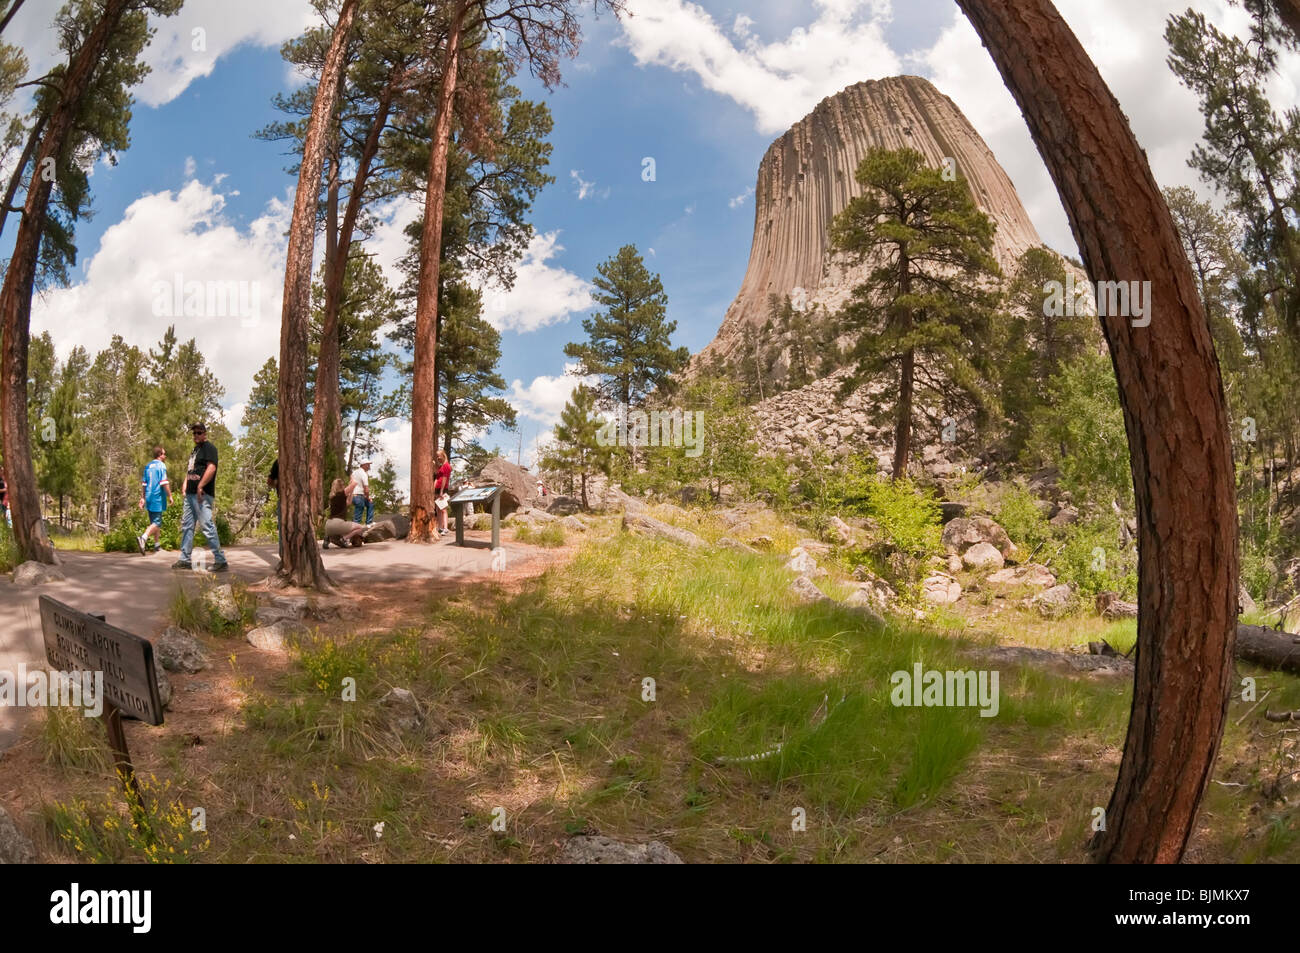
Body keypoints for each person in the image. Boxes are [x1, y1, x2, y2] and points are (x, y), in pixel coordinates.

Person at [174, 422, 228, 572]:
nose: (196, 435)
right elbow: (190, 469)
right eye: (194, 433)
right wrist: (185, 483)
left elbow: (211, 468)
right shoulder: (195, 450)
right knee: (187, 526)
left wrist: (200, 486)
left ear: (205, 434)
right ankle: (184, 559)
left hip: (202, 495)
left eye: (199, 432)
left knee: (207, 526)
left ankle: (220, 560)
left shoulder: (209, 448)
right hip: (190, 494)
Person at [137, 445, 171, 554]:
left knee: (154, 522)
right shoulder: (161, 466)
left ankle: (157, 546)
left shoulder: (148, 466)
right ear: (160, 455)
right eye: (164, 454)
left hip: (149, 496)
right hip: (157, 497)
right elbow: (164, 482)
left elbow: (144, 484)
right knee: (157, 522)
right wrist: (169, 495)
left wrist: (143, 498)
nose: (165, 456)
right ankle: (144, 538)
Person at [323, 478, 367, 548]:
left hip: (328, 525)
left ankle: (327, 537)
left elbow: (348, 502)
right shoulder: (341, 494)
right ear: (341, 486)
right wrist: (352, 478)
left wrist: (351, 491)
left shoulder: (333, 497)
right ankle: (344, 538)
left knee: (337, 529)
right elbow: (354, 484)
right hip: (338, 523)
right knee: (360, 528)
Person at [434, 449, 452, 537]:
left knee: (443, 509)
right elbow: (437, 478)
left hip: (443, 489)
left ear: (443, 455)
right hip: (437, 489)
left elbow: (445, 478)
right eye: (437, 457)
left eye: (439, 456)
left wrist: (441, 491)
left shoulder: (446, 466)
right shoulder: (441, 467)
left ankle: (445, 528)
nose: (438, 458)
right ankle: (440, 527)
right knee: (438, 509)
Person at [350, 460, 373, 525]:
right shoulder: (363, 474)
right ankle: (353, 532)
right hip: (359, 497)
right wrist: (368, 497)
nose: (369, 466)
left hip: (353, 496)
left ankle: (369, 523)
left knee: (370, 503)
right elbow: (366, 489)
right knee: (357, 520)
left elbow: (350, 483)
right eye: (368, 464)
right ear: (363, 465)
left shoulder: (354, 472)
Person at [267, 458, 280, 566]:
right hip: (300, 501)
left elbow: (269, 481)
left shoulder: (278, 461)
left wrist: (276, 483)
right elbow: (269, 481)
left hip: (285, 500)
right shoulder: (278, 462)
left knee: (284, 530)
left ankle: (285, 558)